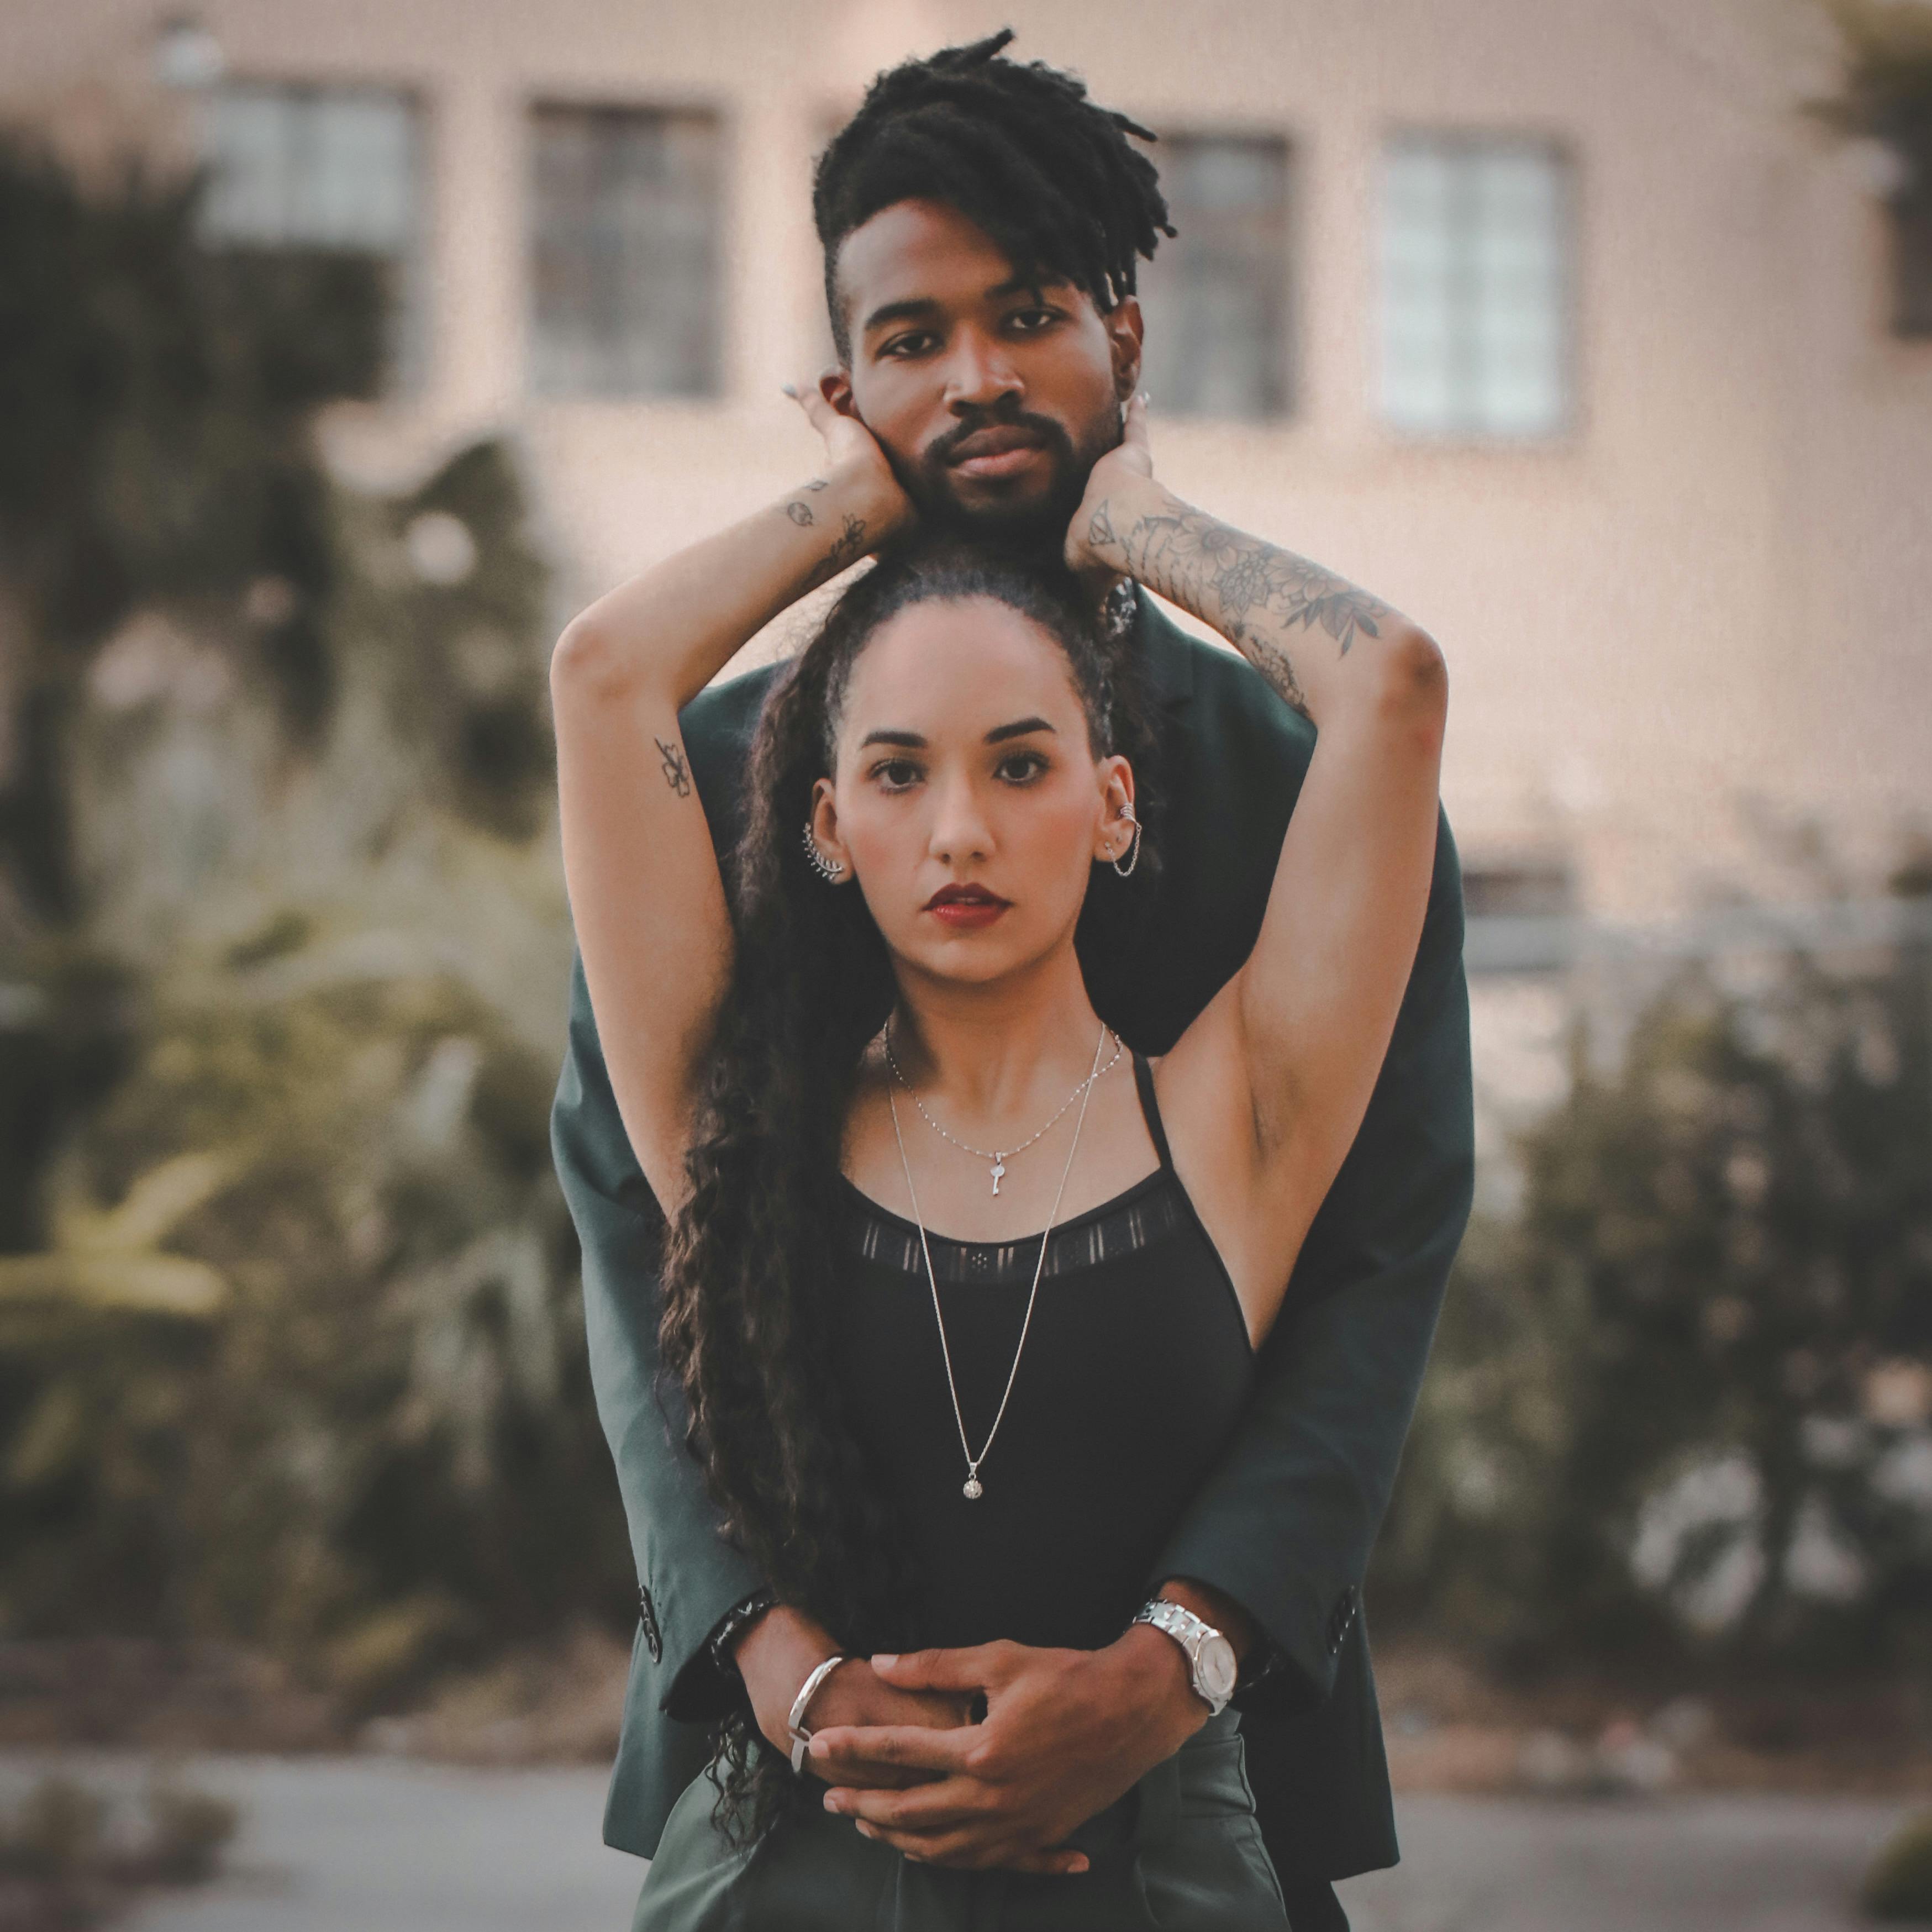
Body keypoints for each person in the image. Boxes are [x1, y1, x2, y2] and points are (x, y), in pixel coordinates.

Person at [549, 31, 1474, 1931]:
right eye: (909, 341)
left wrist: (1173, 1660)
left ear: (1126, 340)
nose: (973, 377)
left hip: (1189, 1767)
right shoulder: (713, 778)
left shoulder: (1301, 786)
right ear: (841, 392)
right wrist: (780, 1662)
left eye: (1029, 315)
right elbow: (649, 1241)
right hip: (795, 1755)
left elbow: (1378, 1253)